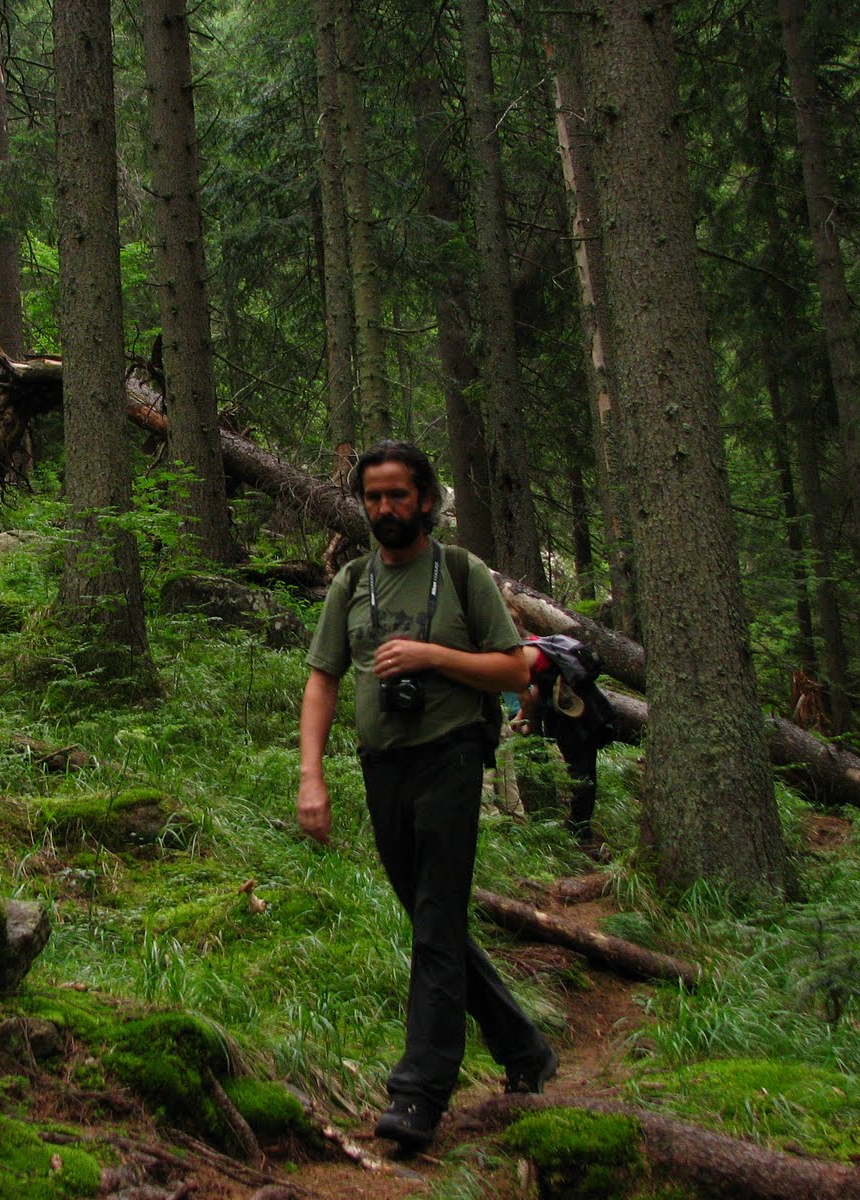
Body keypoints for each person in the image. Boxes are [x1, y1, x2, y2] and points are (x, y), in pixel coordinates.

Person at [297, 440, 559, 1150]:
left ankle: (420, 1092)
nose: (385, 508)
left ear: (426, 500)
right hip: (382, 769)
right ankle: (524, 1048)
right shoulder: (352, 583)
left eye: (398, 495)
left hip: (449, 761)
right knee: (431, 920)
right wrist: (311, 775)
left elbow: (515, 672)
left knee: (436, 923)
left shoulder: (462, 573)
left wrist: (431, 656)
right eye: (374, 496)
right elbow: (322, 679)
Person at [513, 634, 617, 857]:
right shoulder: (538, 645)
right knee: (580, 769)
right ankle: (578, 825)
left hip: (576, 715)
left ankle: (582, 832)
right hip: (576, 710)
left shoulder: (524, 653)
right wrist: (524, 716)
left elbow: (526, 692)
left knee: (582, 772)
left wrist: (525, 719)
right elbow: (539, 689)